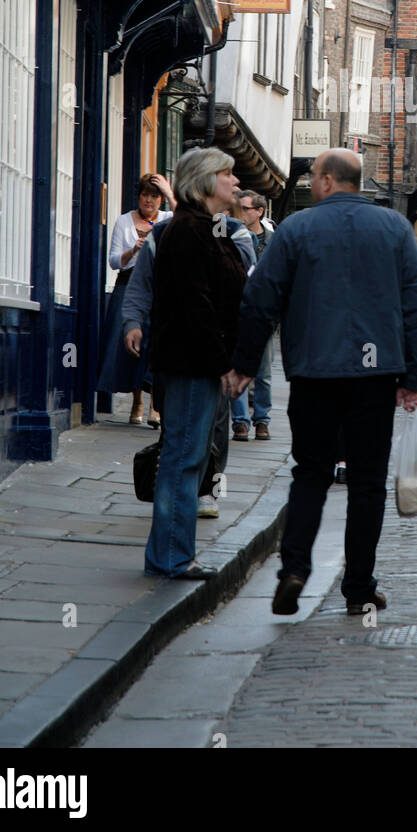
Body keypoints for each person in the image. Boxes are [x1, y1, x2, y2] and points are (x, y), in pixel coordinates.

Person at [225, 148, 417, 616]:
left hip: (314, 373)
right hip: (375, 379)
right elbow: (414, 307)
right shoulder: (395, 228)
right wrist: (415, 377)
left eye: (315, 176)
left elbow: (259, 301)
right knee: (368, 482)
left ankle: (295, 568)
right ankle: (358, 587)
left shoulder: (296, 228)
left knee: (311, 473)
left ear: (329, 181)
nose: (312, 183)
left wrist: (245, 364)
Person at [144, 148, 246, 579]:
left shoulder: (206, 227)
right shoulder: (187, 230)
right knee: (183, 458)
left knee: (190, 458)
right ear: (205, 180)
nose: (236, 182)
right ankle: (170, 557)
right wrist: (223, 363)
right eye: (228, 174)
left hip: (199, 362)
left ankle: (172, 553)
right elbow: (194, 305)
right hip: (190, 363)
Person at [123, 206, 254, 518]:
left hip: (216, 351)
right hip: (171, 351)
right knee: (172, 423)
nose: (234, 183)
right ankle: (172, 494)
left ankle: (208, 488)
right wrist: (132, 321)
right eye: (227, 176)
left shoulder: (235, 231)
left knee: (217, 422)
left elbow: (247, 279)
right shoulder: (164, 233)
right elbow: (141, 283)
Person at [97, 173, 174, 426]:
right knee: (130, 346)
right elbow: (113, 261)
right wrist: (134, 250)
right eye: (145, 195)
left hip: (160, 288)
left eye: (154, 196)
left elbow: (190, 221)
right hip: (129, 285)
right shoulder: (123, 222)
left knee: (157, 346)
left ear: (161, 199)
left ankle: (155, 406)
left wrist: (171, 193)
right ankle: (137, 401)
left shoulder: (169, 219)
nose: (148, 200)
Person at [236, 191, 277, 440]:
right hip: (239, 309)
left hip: (265, 313)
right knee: (238, 367)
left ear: (259, 211)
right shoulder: (233, 234)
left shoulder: (274, 239)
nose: (241, 213)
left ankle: (262, 420)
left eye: (245, 209)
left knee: (264, 372)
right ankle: (240, 422)